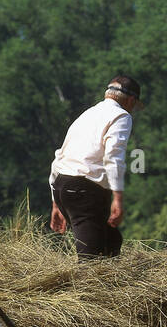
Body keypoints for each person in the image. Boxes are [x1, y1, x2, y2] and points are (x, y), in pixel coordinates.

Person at [49, 75, 142, 257]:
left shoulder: (88, 114)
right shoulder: (121, 116)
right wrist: (118, 199)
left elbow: (60, 155)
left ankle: (111, 282)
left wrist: (55, 202)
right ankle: (83, 284)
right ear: (131, 100)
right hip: (84, 192)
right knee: (90, 264)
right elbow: (114, 157)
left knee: (111, 241)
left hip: (63, 186)